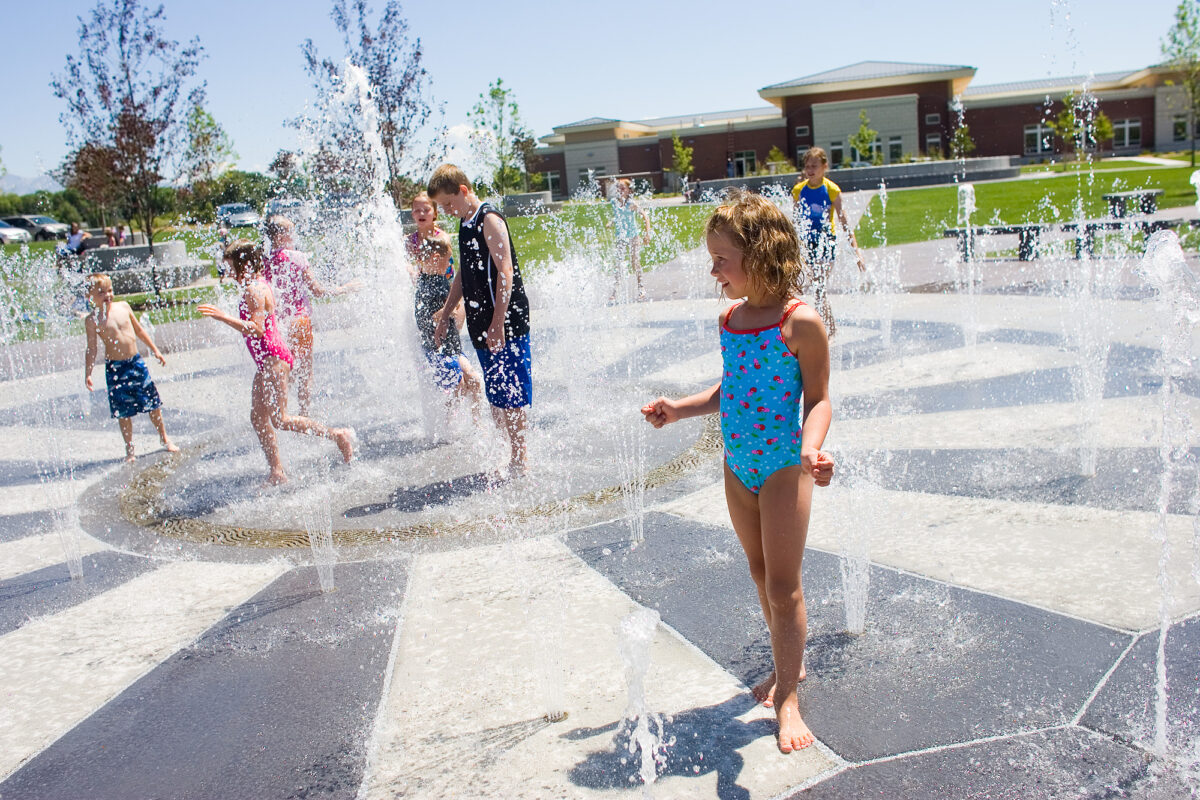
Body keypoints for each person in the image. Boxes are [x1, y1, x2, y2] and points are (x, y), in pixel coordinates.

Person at [641, 190, 834, 755]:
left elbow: (819, 400)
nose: (713, 269)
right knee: (758, 572)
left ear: (760, 255)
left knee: (783, 584)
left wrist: (813, 450)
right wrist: (681, 408)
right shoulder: (731, 319)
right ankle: (785, 664)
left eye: (721, 258)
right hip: (737, 461)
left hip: (782, 464)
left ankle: (790, 697)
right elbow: (734, 390)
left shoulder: (800, 324)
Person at [198, 241, 354, 486]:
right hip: (267, 361)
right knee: (258, 417)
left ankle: (337, 435)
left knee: (280, 419)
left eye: (230, 267)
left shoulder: (255, 290)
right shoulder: (258, 286)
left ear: (245, 264)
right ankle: (277, 472)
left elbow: (257, 329)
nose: (227, 273)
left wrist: (223, 316)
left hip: (273, 358)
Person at [427, 164, 532, 477]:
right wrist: (446, 313)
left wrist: (498, 323)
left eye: (448, 203)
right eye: (441, 207)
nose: (445, 211)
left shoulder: (489, 219)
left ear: (462, 190)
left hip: (506, 320)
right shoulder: (464, 222)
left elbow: (505, 272)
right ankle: (507, 454)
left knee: (512, 393)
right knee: (496, 392)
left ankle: (520, 459)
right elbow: (463, 272)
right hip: (480, 321)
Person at [262, 215, 360, 416]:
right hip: (299, 320)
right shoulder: (297, 257)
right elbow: (317, 291)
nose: (293, 235)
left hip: (278, 323)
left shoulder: (264, 262)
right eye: (290, 231)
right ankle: (304, 414)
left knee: (285, 369)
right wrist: (344, 289)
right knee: (305, 371)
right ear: (280, 236)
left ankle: (282, 413)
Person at [83, 274, 179, 462]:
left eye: (110, 290)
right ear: (90, 297)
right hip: (116, 369)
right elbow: (92, 348)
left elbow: (139, 330)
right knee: (123, 411)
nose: (107, 295)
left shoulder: (124, 307)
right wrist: (88, 373)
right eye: (101, 292)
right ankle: (130, 448)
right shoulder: (92, 320)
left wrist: (155, 350)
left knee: (153, 403)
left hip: (135, 362)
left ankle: (164, 438)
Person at [406, 203, 484, 413]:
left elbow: (455, 301)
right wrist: (443, 313)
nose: (451, 265)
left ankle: (477, 426)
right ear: (435, 259)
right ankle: (448, 427)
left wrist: (452, 308)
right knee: (458, 386)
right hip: (437, 350)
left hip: (452, 347)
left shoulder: (441, 280)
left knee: (474, 381)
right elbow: (423, 318)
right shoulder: (425, 286)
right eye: (449, 260)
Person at [791, 147, 865, 337]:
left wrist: (856, 253)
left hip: (826, 243)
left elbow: (844, 223)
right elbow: (795, 222)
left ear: (825, 166)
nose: (810, 170)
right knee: (813, 287)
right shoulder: (799, 191)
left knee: (818, 286)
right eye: (807, 166)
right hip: (808, 245)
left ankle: (828, 330)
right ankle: (827, 328)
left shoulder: (831, 190)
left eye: (815, 166)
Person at [608, 178, 652, 302]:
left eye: (623, 188)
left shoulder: (631, 204)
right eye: (618, 188)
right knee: (618, 264)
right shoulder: (614, 202)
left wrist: (647, 234)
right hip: (621, 237)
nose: (620, 190)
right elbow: (618, 215)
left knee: (634, 262)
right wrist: (611, 222)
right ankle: (615, 292)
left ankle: (641, 288)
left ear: (628, 190)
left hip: (633, 236)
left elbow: (645, 217)